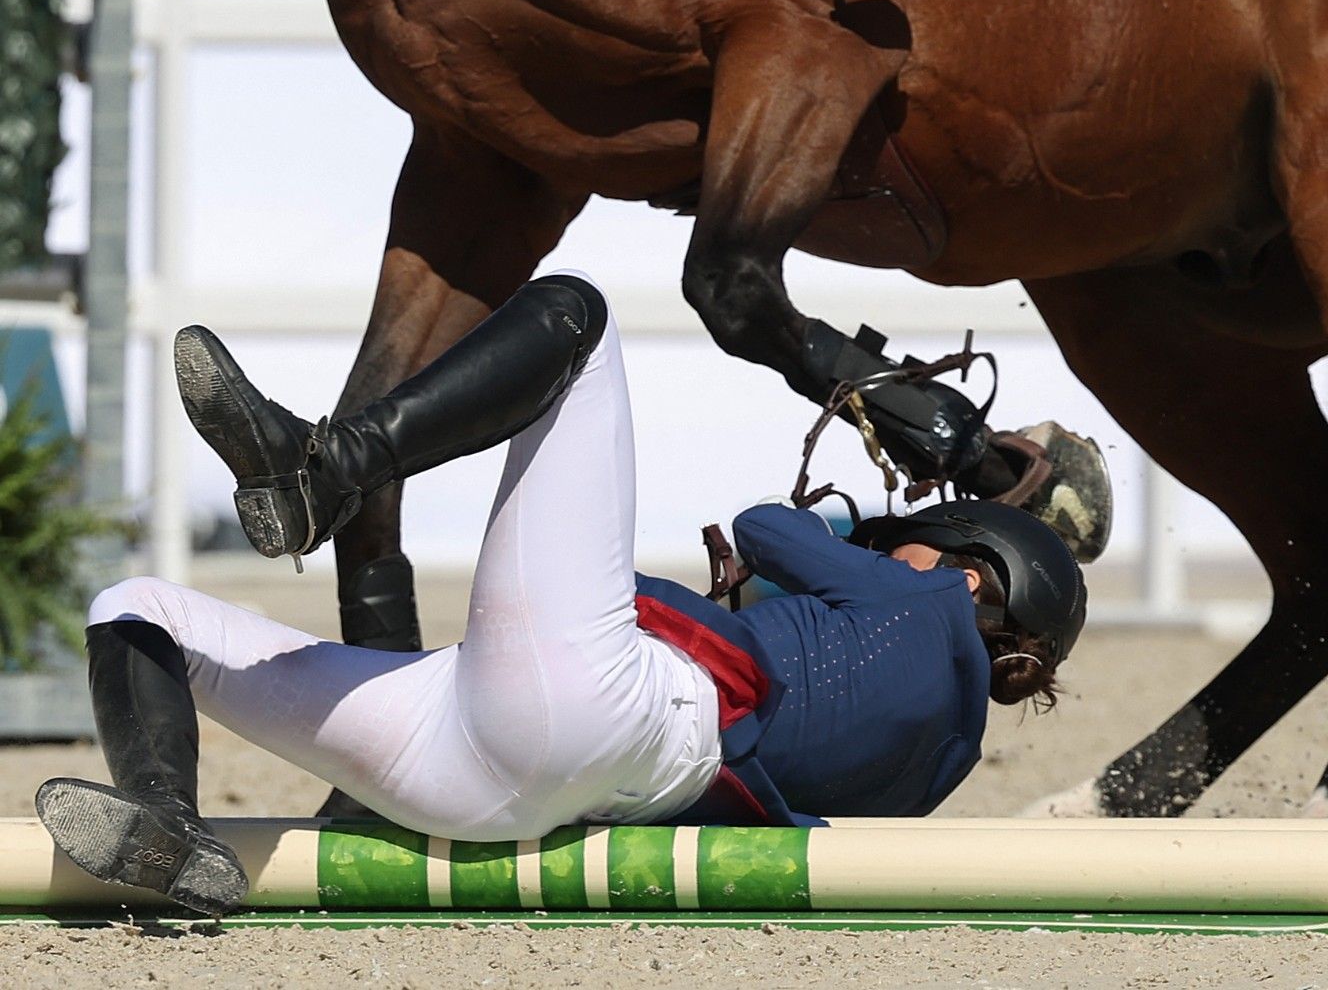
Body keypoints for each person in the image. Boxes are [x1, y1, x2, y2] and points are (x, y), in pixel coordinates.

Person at [36, 271, 1085, 916]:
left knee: (579, 318)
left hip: (608, 705)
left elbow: (771, 526)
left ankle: (325, 469)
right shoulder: (938, 767)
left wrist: (846, 533)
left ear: (963, 555)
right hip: (505, 782)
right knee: (143, 604)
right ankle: (168, 832)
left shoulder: (929, 600)